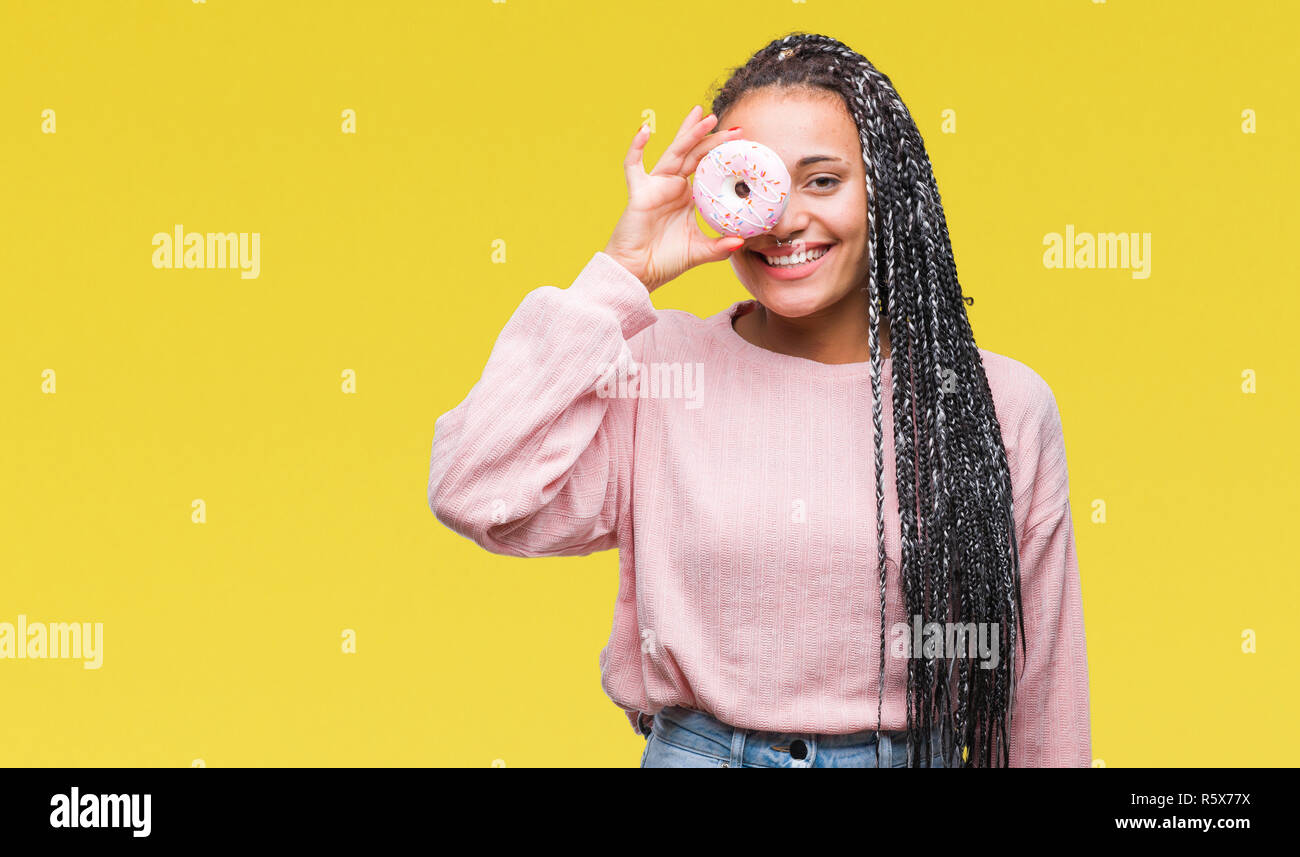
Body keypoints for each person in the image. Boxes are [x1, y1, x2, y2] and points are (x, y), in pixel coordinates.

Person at [428, 31, 1091, 767]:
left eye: (823, 181)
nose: (782, 220)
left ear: (887, 193)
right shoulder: (658, 369)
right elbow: (473, 488)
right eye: (754, 185)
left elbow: (1040, 689)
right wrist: (621, 274)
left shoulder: (996, 402)